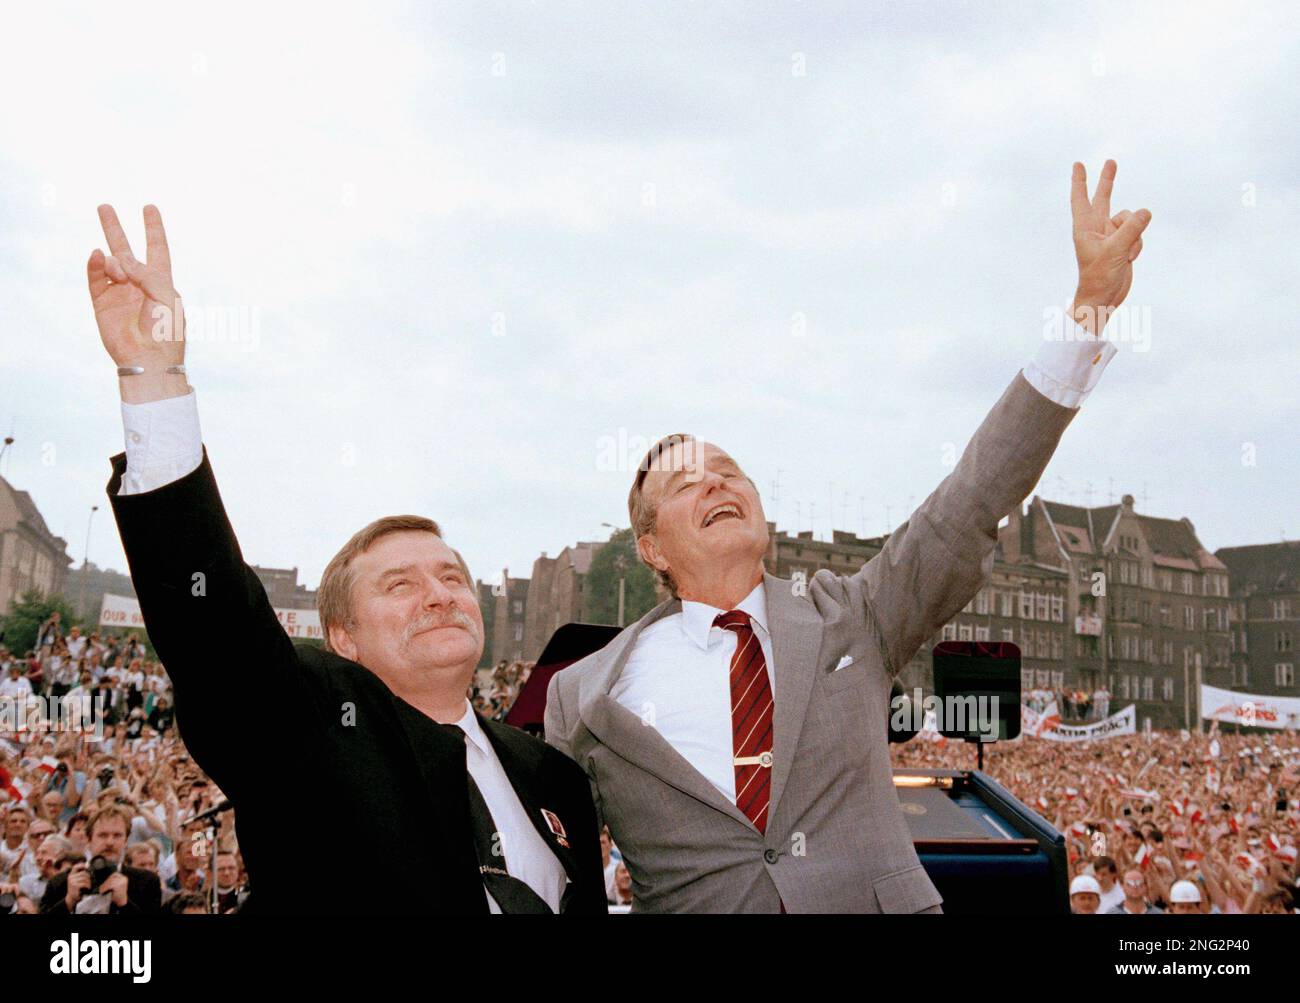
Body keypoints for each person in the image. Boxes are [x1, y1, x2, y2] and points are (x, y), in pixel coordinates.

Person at [546, 163, 1152, 912]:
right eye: (685, 484)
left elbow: (969, 499)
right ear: (651, 548)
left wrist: (1086, 312)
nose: (717, 484)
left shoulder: (854, 615)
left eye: (730, 471)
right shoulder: (583, 695)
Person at [84, 204, 605, 915]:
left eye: (451, 575)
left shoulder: (555, 778)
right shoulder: (310, 731)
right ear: (343, 638)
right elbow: (217, 631)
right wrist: (153, 374)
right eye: (400, 583)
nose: (439, 593)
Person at [40, 805, 162, 914]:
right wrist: (68, 901)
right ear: (89, 840)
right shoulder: (60, 882)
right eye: (103, 835)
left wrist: (125, 904)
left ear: (125, 841)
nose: (110, 842)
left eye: (117, 835)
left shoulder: (147, 882)